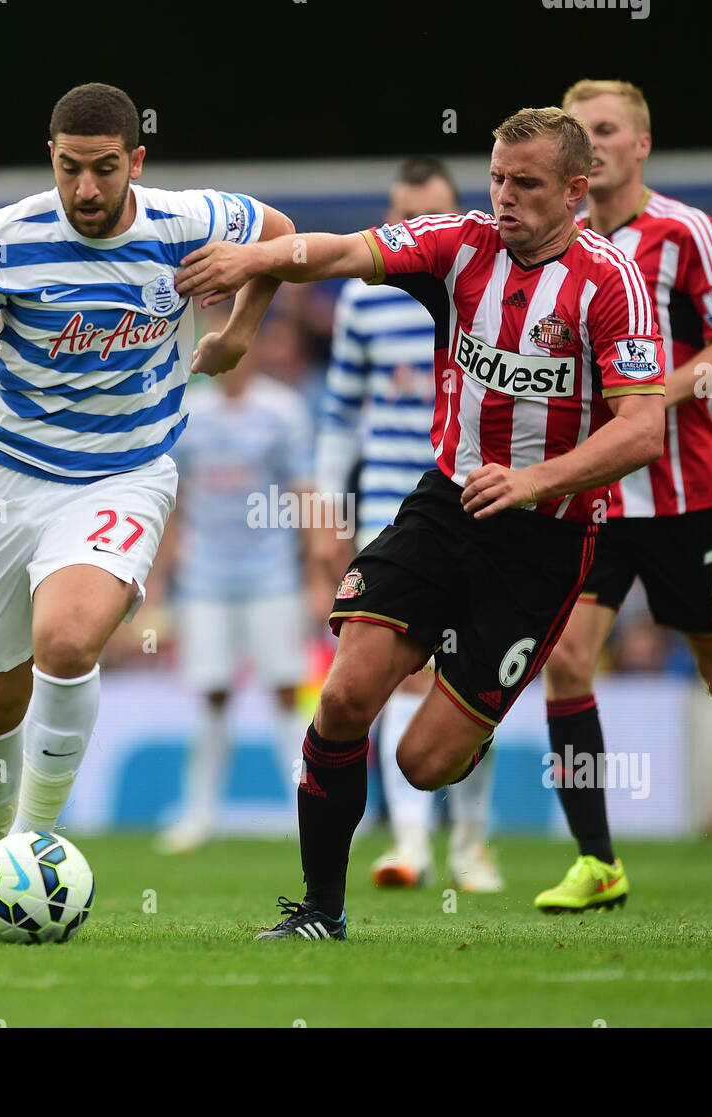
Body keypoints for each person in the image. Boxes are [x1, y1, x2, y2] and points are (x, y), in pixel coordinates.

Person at [178, 106, 667, 941]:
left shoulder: (610, 283)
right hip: (446, 504)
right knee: (344, 698)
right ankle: (321, 911)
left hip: (546, 538)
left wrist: (532, 480)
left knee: (423, 761)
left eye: (527, 184)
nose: (505, 197)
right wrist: (255, 258)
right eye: (498, 178)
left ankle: (467, 704)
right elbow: (340, 252)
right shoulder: (460, 243)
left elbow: (644, 429)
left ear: (575, 191)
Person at [0, 82, 294, 854]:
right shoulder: (3, 239)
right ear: (50, 156)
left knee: (69, 640)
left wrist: (241, 329)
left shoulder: (189, 221)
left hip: (125, 472)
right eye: (70, 167)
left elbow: (278, 236)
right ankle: (0, 857)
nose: (85, 188)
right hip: (6, 471)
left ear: (136, 161)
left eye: (105, 169)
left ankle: (34, 842)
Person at [533, 79, 712, 916]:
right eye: (580, 131)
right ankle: (598, 861)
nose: (594, 143)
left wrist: (654, 392)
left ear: (642, 144)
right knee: (566, 661)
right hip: (595, 495)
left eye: (607, 129)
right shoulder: (557, 242)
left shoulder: (686, 231)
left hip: (688, 495)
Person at [315, 156, 501, 892]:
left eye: (429, 215)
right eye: (402, 215)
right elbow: (338, 416)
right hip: (392, 511)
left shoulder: (486, 287)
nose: (414, 228)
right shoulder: (363, 301)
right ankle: (413, 845)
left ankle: (472, 845)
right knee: (390, 674)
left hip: (475, 505)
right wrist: (326, 513)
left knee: (470, 683)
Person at [160, 306, 315, 853]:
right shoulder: (188, 412)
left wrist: (317, 574)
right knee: (212, 692)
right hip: (206, 578)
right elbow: (174, 501)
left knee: (285, 690)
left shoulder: (283, 411)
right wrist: (157, 581)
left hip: (272, 575)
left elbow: (305, 494)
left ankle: (308, 808)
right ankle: (199, 813)